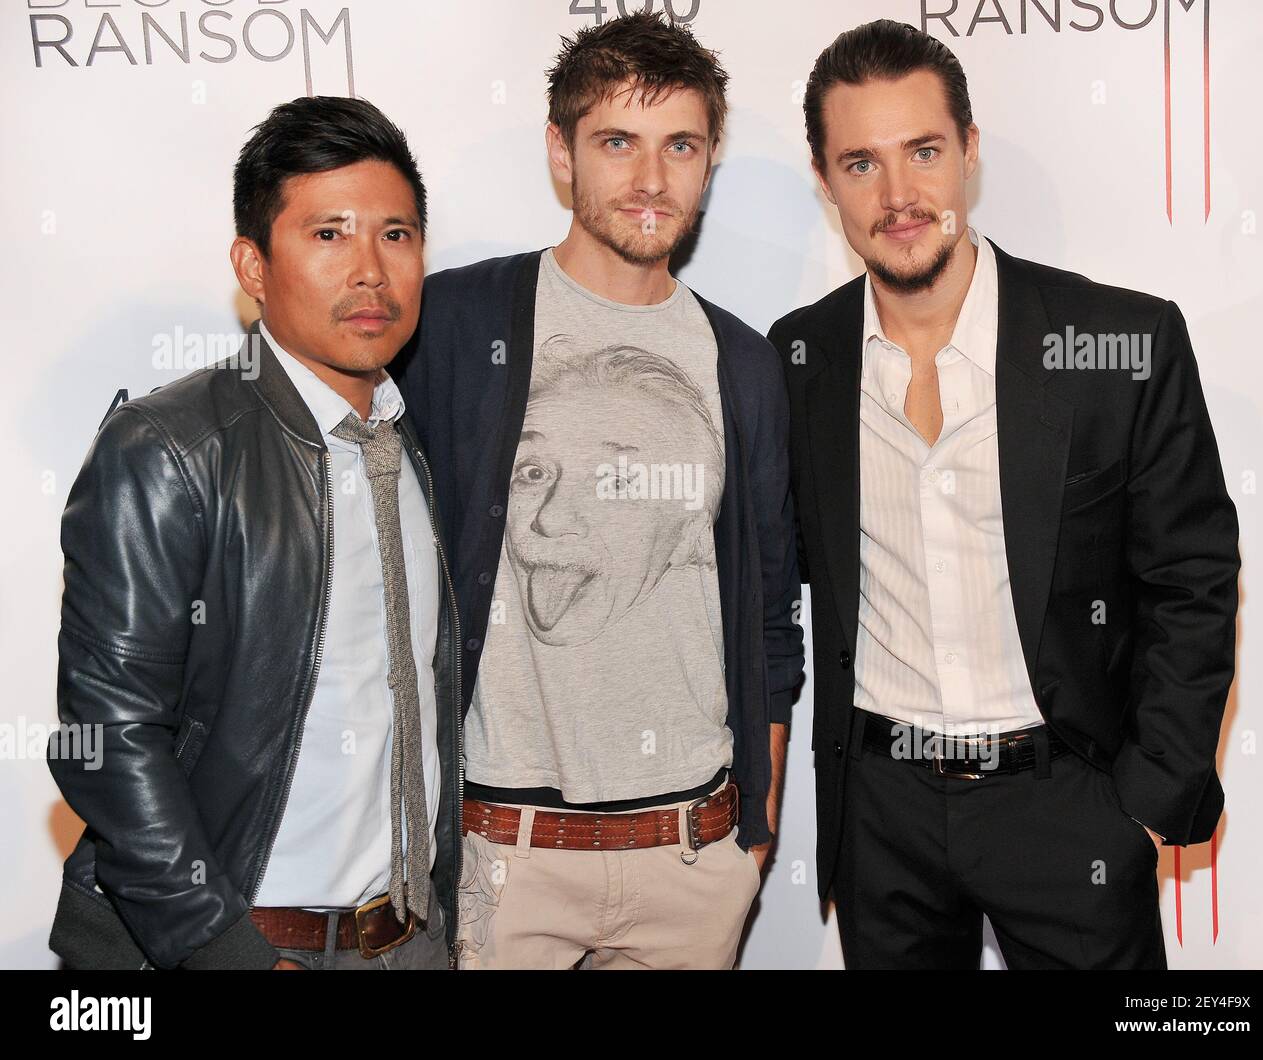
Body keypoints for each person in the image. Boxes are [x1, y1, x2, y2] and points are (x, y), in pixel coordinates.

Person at [769, 19, 1240, 969]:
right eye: (860, 163)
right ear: (825, 181)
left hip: (1069, 804)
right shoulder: (796, 359)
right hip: (884, 818)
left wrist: (1143, 809)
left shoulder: (1121, 345)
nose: (899, 196)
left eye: (924, 152)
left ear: (970, 151)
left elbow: (1193, 581)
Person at [393, 11, 803, 970]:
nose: (651, 179)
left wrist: (758, 822)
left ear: (708, 164)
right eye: (617, 141)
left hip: (693, 862)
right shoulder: (452, 325)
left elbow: (770, 610)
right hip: (506, 857)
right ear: (562, 153)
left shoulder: (743, 363)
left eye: (680, 146)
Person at [47, 96, 459, 970]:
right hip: (236, 945)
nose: (371, 272)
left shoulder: (411, 441)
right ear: (253, 264)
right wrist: (225, 951)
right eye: (328, 235)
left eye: (397, 234)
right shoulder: (171, 448)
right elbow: (107, 737)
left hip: (407, 939)